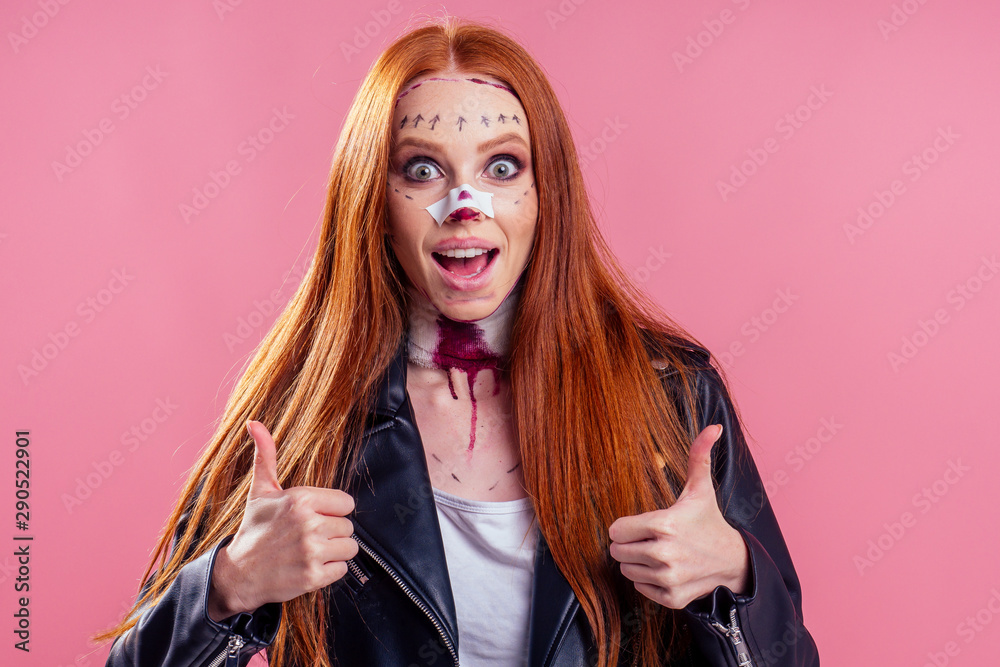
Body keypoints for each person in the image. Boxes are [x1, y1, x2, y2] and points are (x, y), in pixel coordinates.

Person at [97, 15, 820, 667]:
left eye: (501, 167)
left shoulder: (669, 390)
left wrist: (731, 579)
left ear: (546, 196)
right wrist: (227, 588)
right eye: (422, 168)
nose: (462, 205)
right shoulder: (301, 409)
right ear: (373, 201)